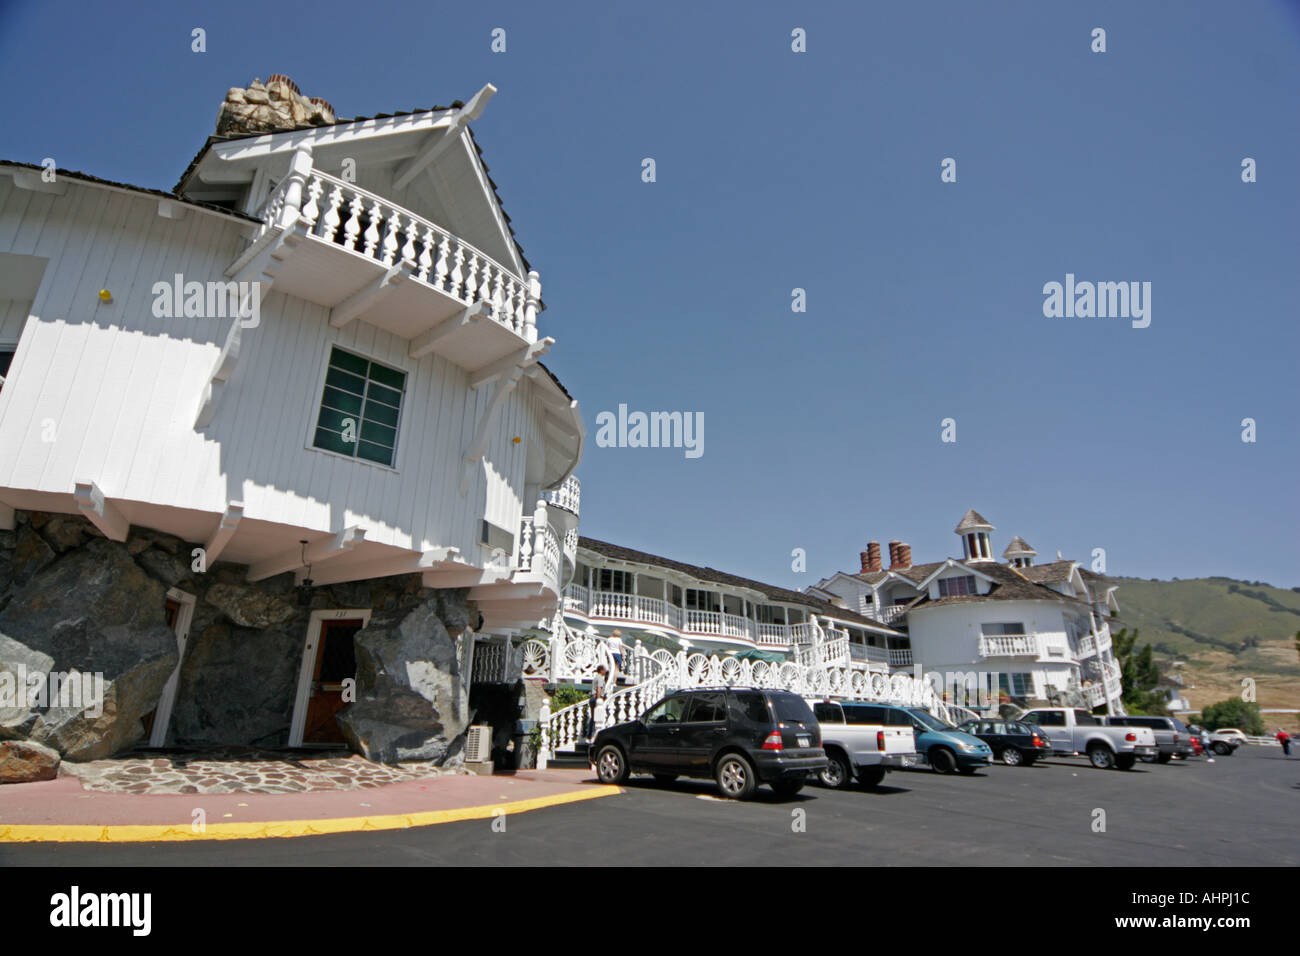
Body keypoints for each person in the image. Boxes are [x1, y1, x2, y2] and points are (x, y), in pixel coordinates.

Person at [586, 664, 609, 740]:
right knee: (597, 717)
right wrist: (599, 700)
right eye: (604, 670)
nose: (605, 671)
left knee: (593, 718)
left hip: (592, 698)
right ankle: (595, 735)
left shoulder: (596, 677)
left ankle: (589, 735)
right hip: (596, 698)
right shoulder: (600, 679)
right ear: (601, 670)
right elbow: (599, 689)